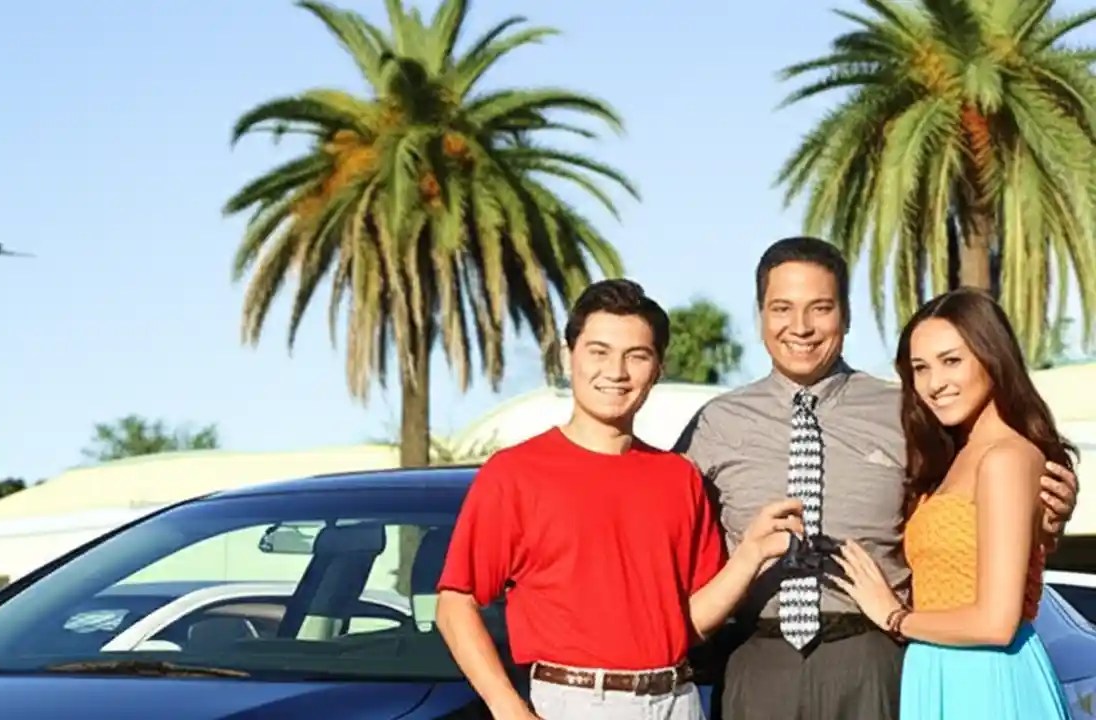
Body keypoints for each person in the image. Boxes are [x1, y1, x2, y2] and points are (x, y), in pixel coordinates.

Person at [673, 236, 1079, 720]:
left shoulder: (913, 411)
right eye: (782, 308)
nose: (800, 327)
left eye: (820, 308)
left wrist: (1048, 517)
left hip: (877, 659)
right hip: (758, 664)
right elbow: (664, 535)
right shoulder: (713, 424)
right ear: (760, 314)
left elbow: (976, 504)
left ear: (846, 316)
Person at [434, 279, 806, 720]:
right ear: (567, 356)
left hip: (677, 701)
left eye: (637, 355)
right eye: (599, 351)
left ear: (658, 368)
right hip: (571, 703)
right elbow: (455, 604)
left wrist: (751, 554)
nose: (616, 371)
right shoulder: (515, 473)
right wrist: (507, 707)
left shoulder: (679, 477)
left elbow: (687, 624)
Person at [829, 288, 1073, 719]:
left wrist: (893, 616)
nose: (934, 383)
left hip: (989, 680)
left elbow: (996, 623)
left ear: (992, 356)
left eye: (951, 360)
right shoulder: (954, 457)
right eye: (920, 368)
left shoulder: (1006, 457)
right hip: (938, 670)